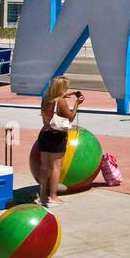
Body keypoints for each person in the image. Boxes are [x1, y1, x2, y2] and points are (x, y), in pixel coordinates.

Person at [36, 75, 83, 208]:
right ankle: (53, 197)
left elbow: (52, 106)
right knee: (55, 167)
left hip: (44, 134)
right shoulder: (60, 102)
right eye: (66, 86)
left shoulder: (45, 99)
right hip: (57, 136)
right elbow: (71, 118)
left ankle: (42, 195)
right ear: (61, 88)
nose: (67, 88)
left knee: (44, 166)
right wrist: (77, 104)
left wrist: (64, 96)